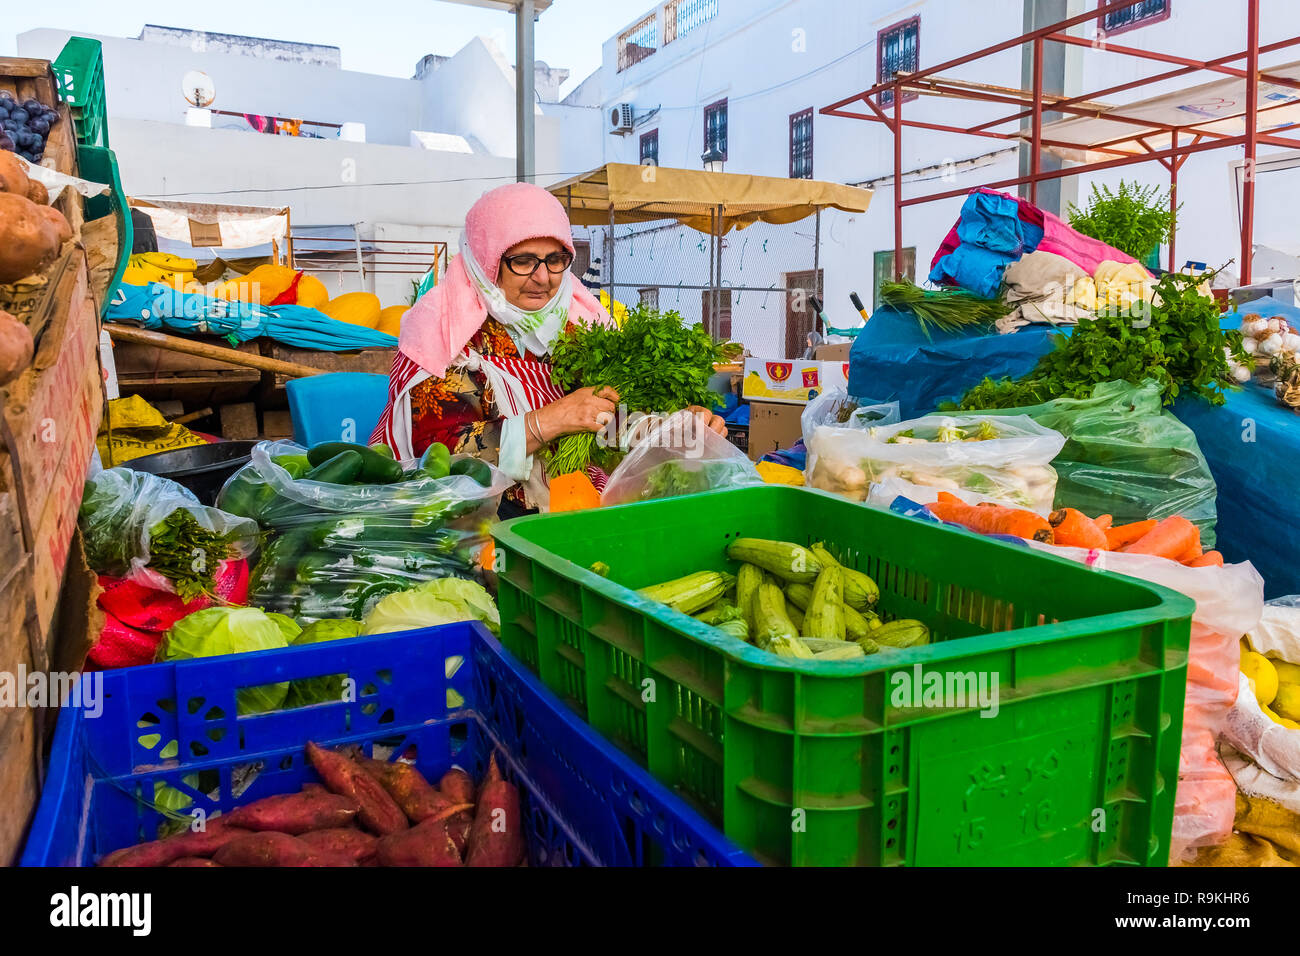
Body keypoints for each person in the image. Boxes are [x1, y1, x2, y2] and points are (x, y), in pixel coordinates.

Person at [371, 182, 726, 515]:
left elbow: (607, 426)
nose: (544, 278)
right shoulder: (445, 332)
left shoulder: (578, 328)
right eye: (523, 261)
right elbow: (439, 455)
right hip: (471, 518)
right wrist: (549, 421)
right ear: (486, 260)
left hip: (572, 502)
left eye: (556, 259)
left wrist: (669, 430)